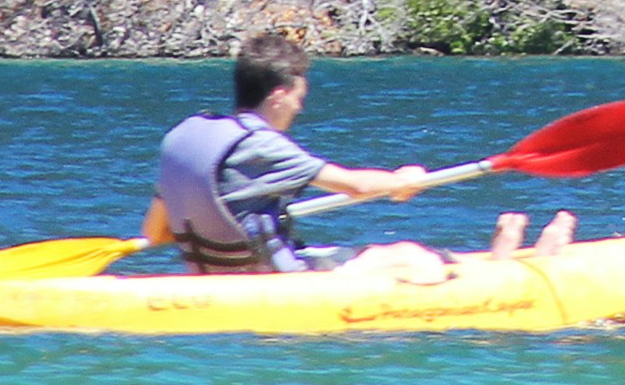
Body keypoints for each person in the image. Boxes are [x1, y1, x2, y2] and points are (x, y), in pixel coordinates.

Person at [141, 33, 429, 273]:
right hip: (273, 278)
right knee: (411, 256)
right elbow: (357, 186)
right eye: (298, 98)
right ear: (278, 96)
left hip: (207, 276)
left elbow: (154, 233)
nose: (299, 109)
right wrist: (401, 181)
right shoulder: (262, 145)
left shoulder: (181, 136)